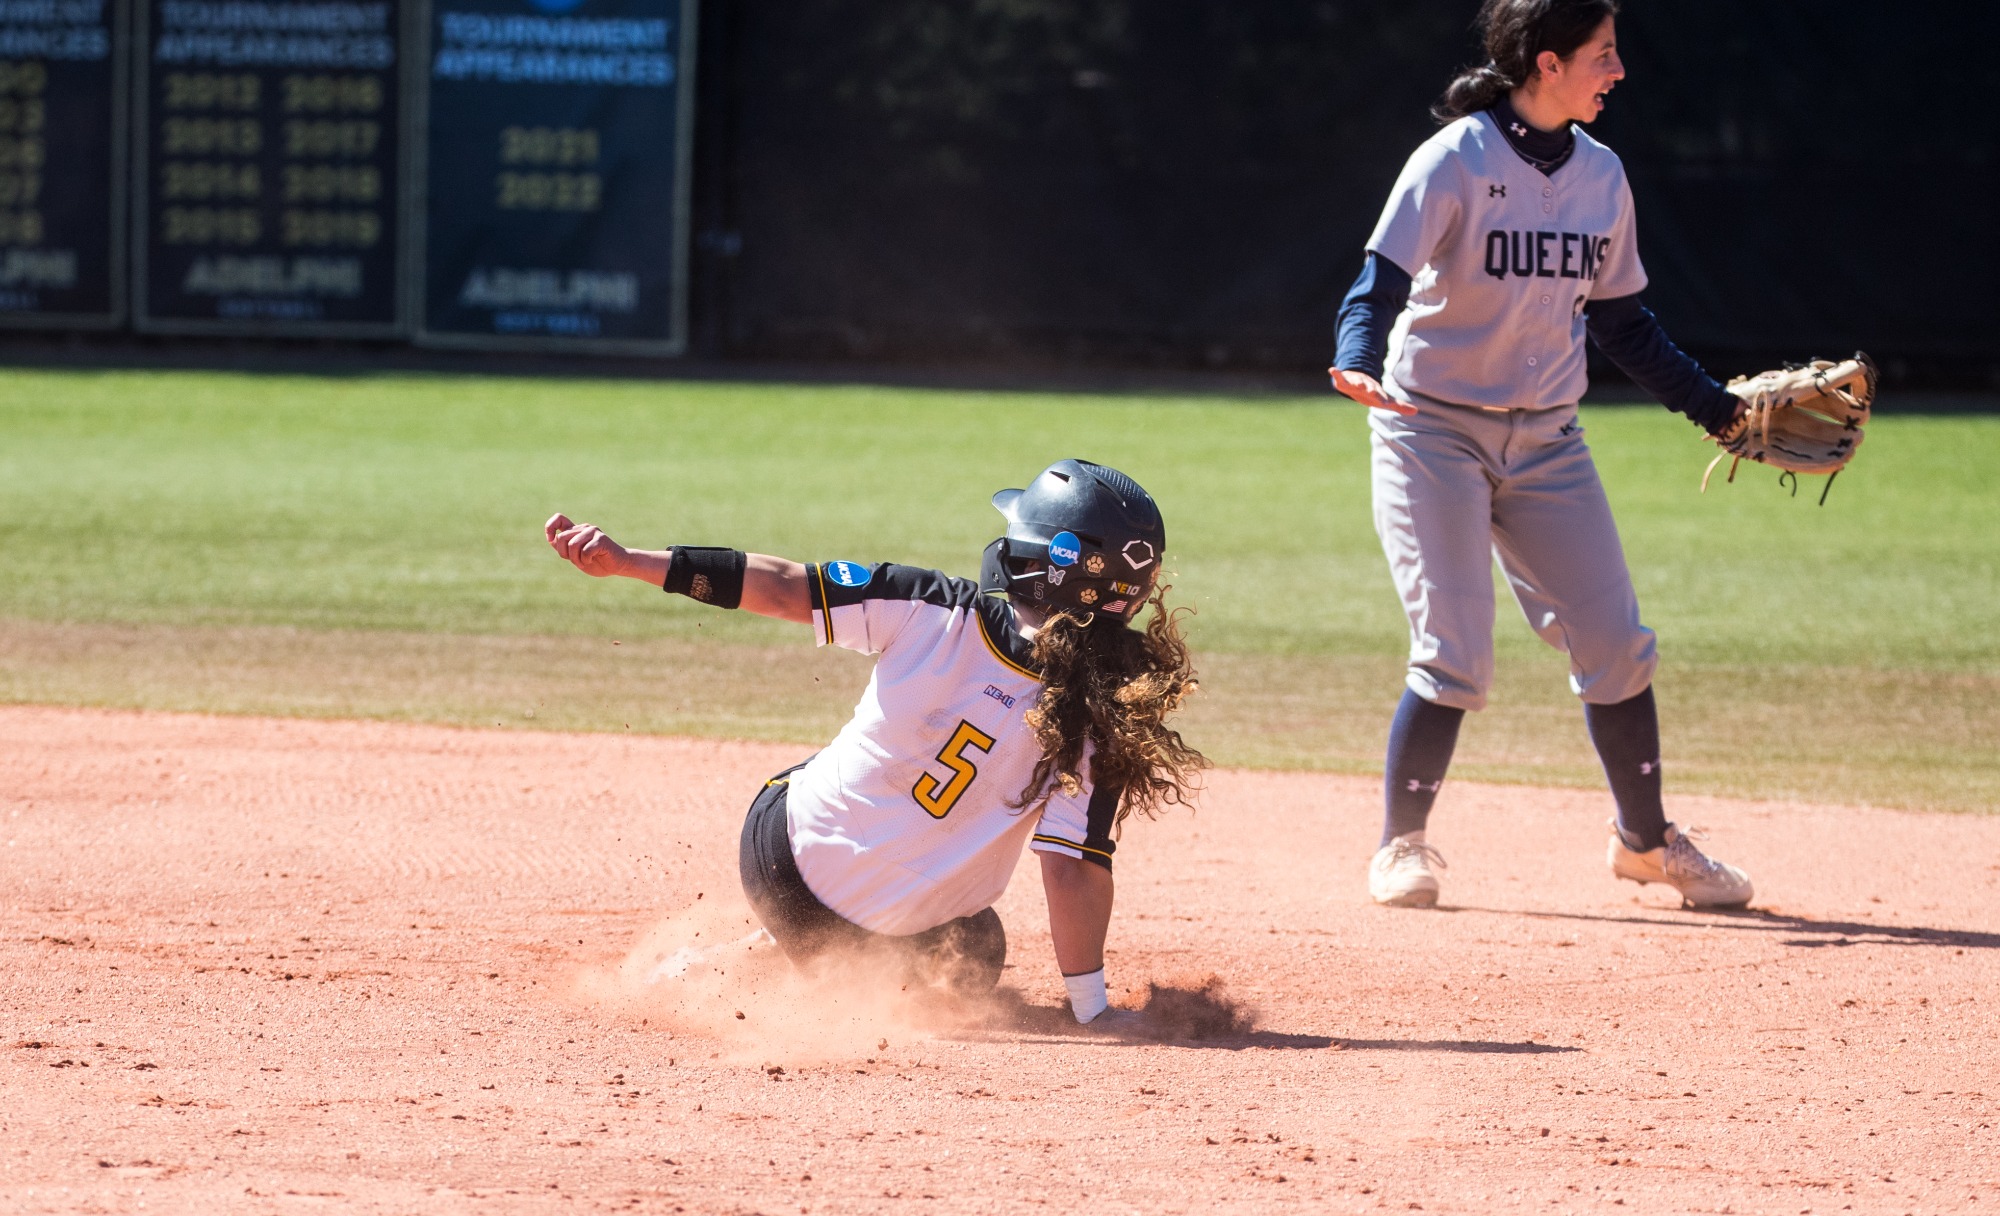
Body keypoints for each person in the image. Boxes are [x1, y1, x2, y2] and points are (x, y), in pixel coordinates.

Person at [1328, 0, 1754, 910]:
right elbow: (1378, 287)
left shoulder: (1602, 176)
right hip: (1430, 428)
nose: (1619, 71)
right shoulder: (1454, 160)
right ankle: (1401, 847)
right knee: (1454, 652)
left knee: (1617, 645)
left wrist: (1721, 414)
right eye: (1604, 55)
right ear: (1548, 62)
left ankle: (1645, 843)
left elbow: (1625, 326)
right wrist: (1358, 359)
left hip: (1548, 439)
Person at [543, 459, 1206, 1024]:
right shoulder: (1105, 710)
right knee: (973, 947)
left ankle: (754, 958)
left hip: (779, 864)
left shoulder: (931, 608)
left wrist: (631, 563)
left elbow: (779, 588)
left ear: (1036, 558)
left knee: (831, 784)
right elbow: (1070, 867)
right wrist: (1092, 1010)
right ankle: (792, 959)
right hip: (888, 931)